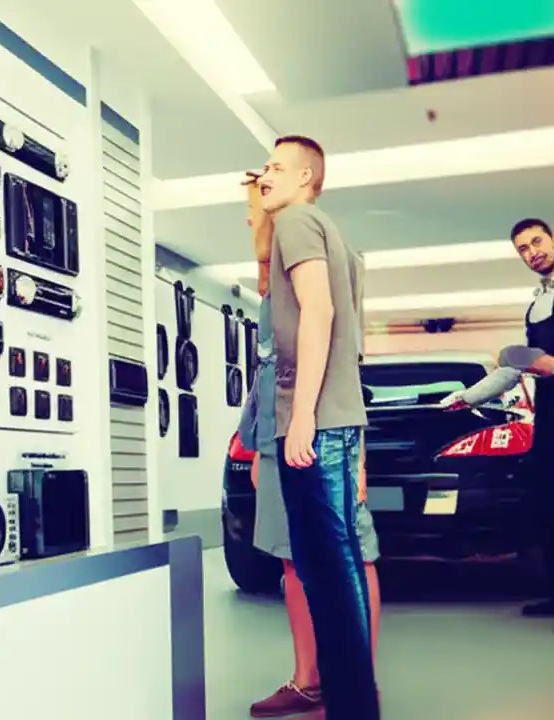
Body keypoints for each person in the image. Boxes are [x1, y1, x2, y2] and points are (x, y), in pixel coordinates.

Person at [236, 172, 381, 718]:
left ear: (302, 179)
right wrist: (258, 440)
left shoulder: (302, 226)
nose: (262, 189)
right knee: (317, 564)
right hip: (293, 426)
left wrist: (305, 422)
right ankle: (333, 689)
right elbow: (274, 364)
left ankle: (353, 697)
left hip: (312, 424)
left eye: (273, 171)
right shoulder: (289, 261)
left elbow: (332, 332)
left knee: (337, 562)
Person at [442, 218, 554, 634]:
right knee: (553, 501)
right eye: (523, 248)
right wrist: (467, 397)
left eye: (537, 242)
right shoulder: (537, 300)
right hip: (551, 404)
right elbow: (517, 367)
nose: (532, 252)